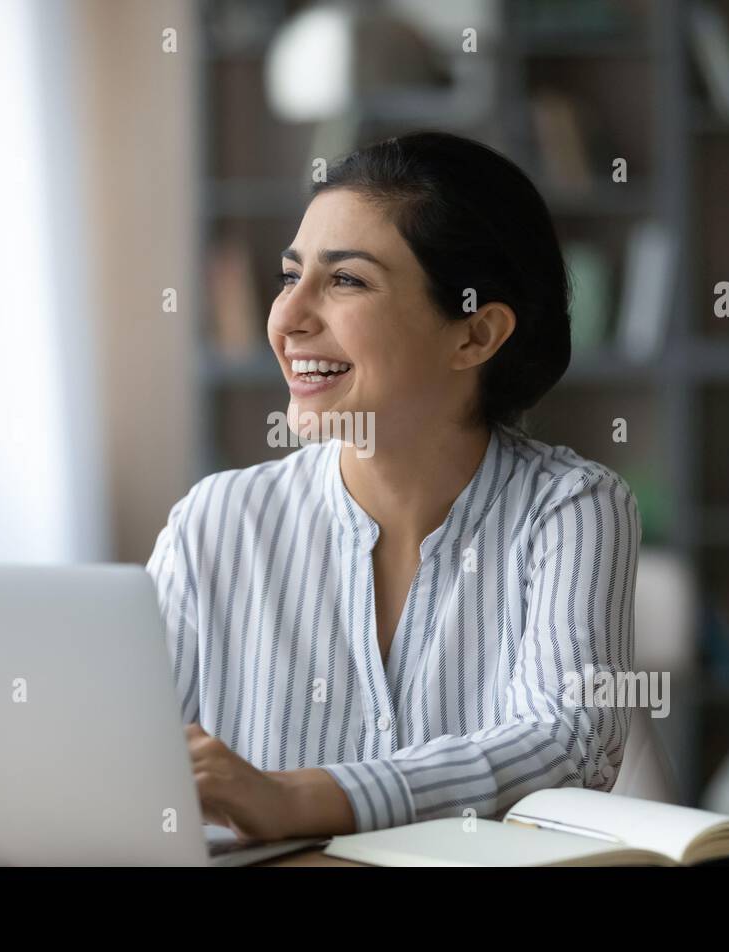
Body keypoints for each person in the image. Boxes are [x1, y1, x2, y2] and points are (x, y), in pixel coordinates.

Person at [146, 131, 641, 840]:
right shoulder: (215, 523)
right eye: (291, 276)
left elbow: (569, 744)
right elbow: (120, 771)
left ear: (474, 336)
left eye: (344, 280)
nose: (287, 318)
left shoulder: (571, 509)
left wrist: (302, 799)